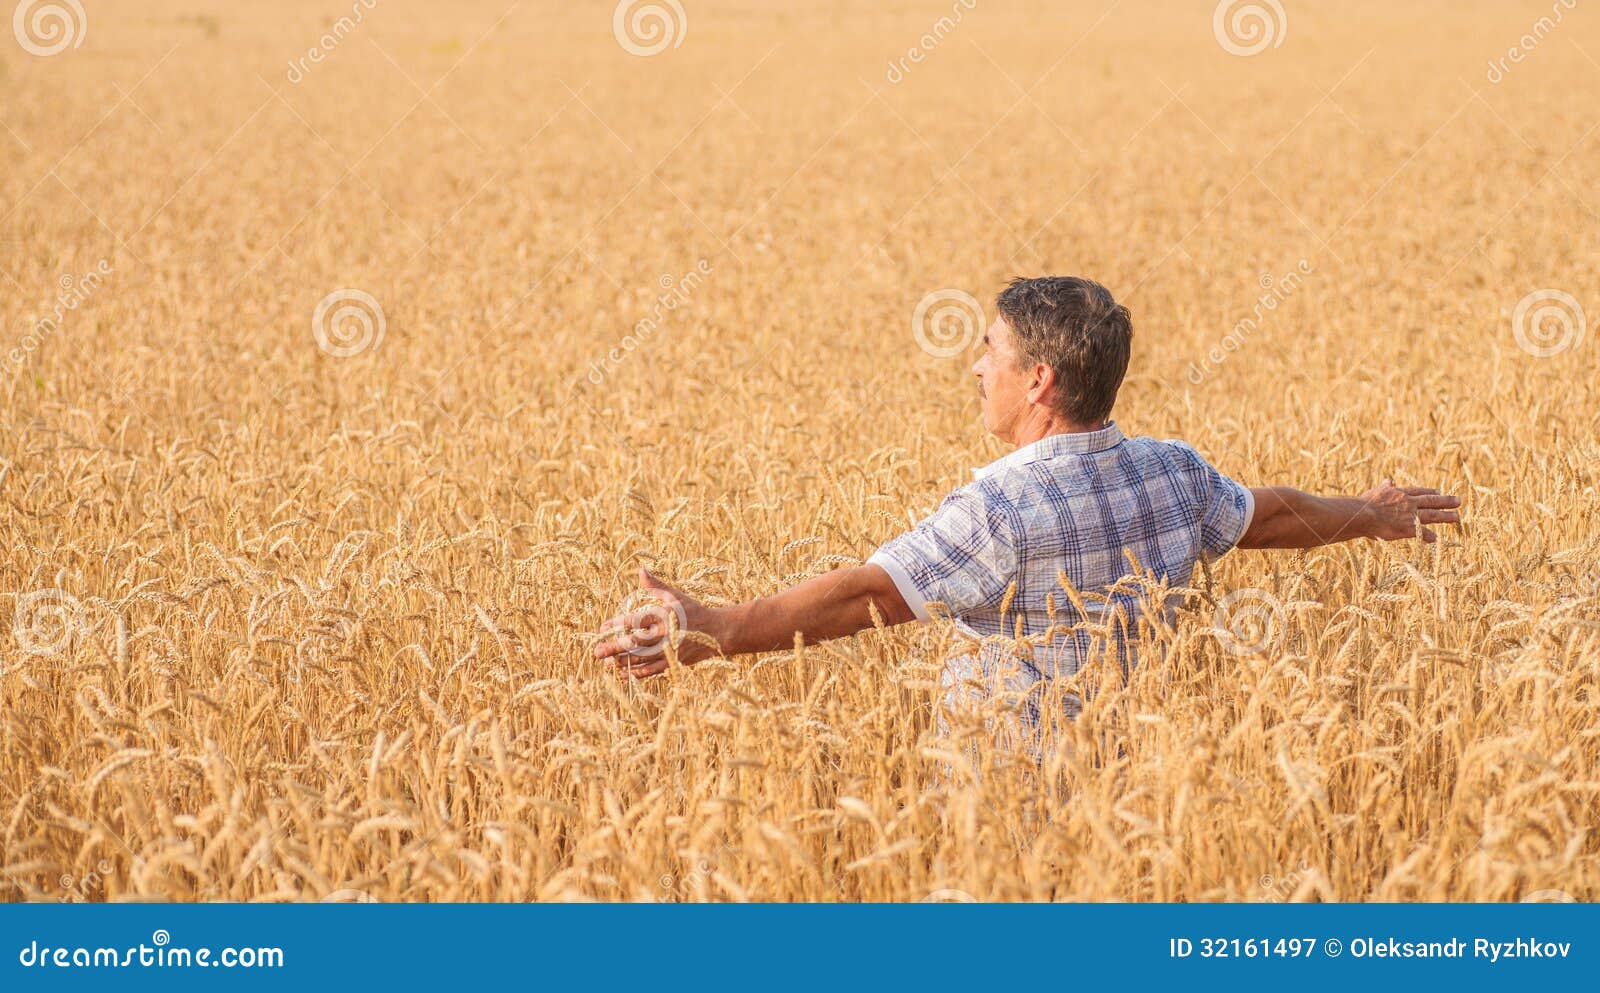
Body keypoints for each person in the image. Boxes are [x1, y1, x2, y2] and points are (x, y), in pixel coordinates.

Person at [592, 276, 1462, 740]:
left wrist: (712, 628)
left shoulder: (1000, 506)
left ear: (1038, 379)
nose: (975, 368)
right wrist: (1370, 512)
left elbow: (873, 594)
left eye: (989, 351)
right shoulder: (1173, 472)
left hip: (1013, 807)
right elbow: (1265, 517)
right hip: (1143, 787)